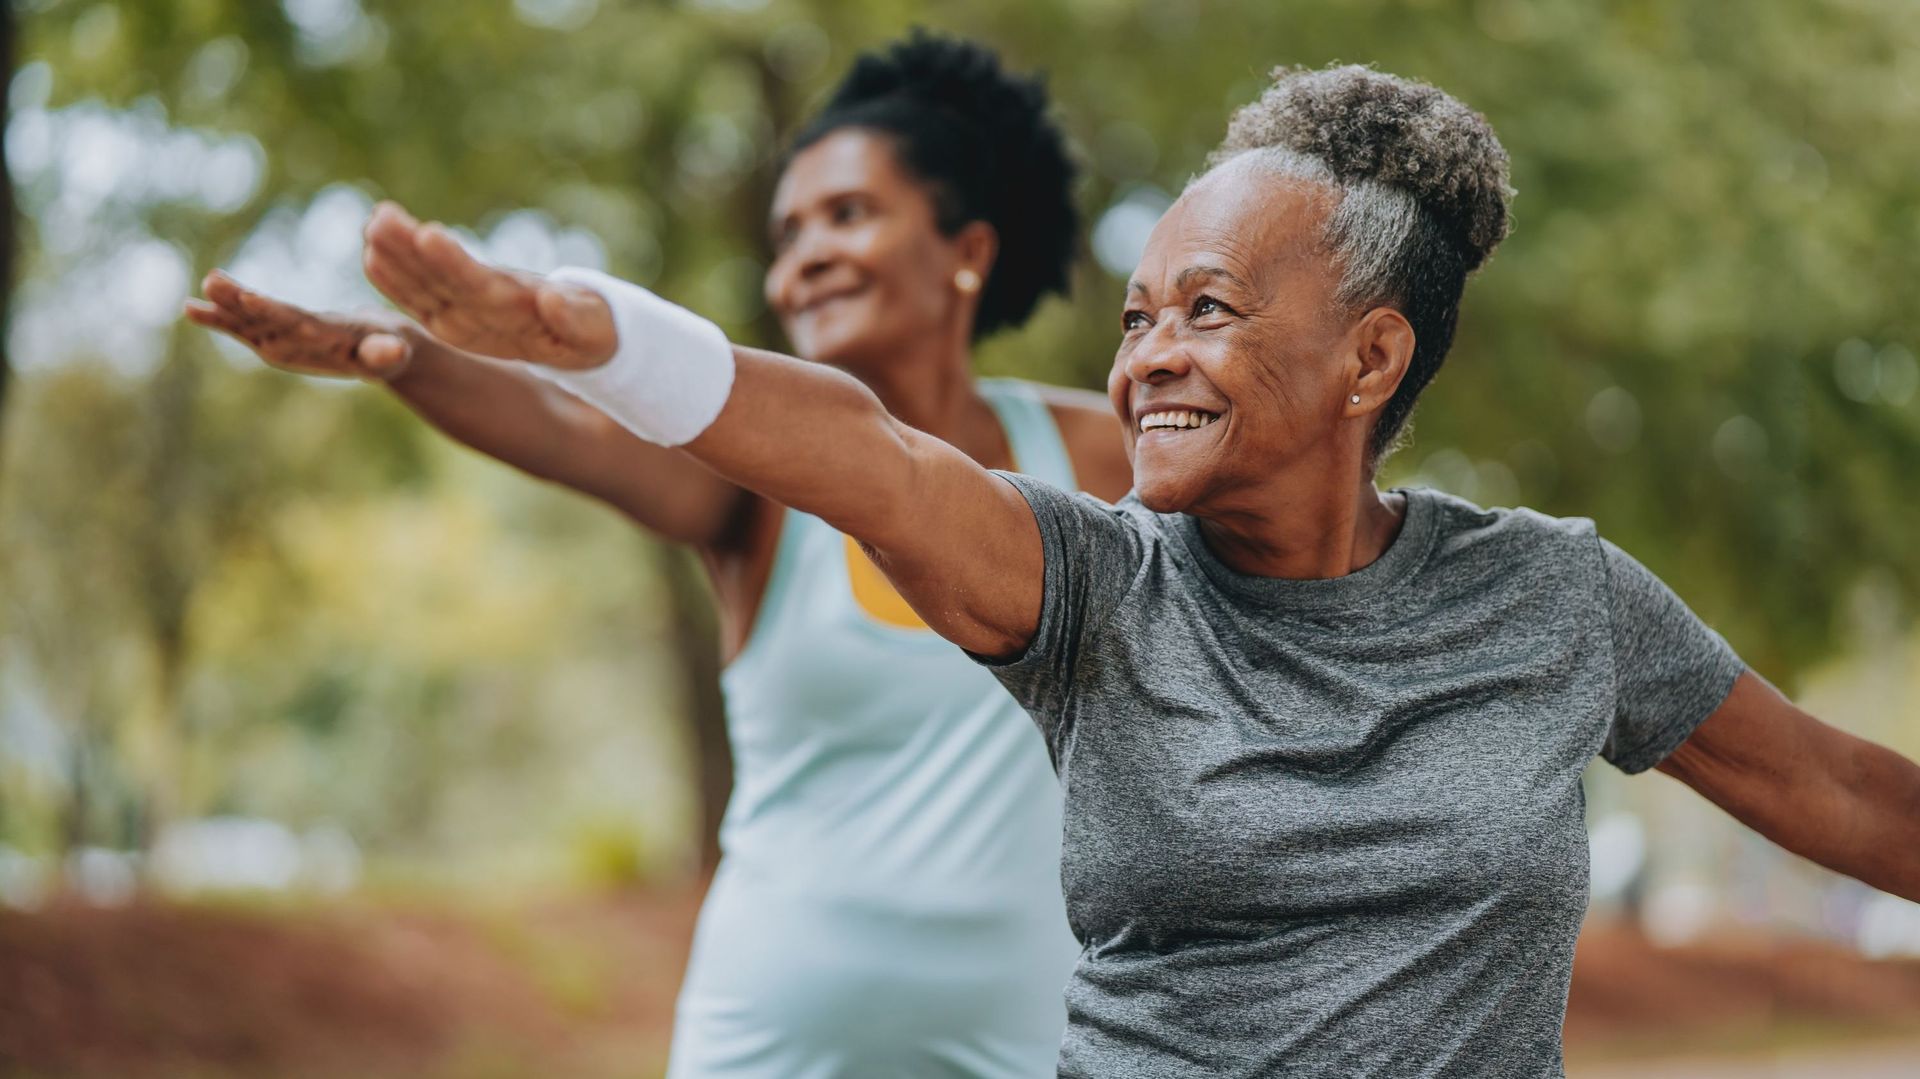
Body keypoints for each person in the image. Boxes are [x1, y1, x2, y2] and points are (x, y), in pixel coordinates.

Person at [321, 63, 1920, 1078]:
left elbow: (1848, 798)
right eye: (1139, 312)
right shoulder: (1091, 584)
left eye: (1208, 310)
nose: (1149, 354)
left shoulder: (1557, 599)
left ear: (1374, 354)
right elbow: (867, 454)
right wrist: (600, 341)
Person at [187, 33, 1130, 1079]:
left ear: (970, 250)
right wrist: (407, 356)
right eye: (788, 231)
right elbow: (569, 428)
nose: (802, 255)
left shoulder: (1091, 456)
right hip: (767, 1042)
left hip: (1030, 1043)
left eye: (848, 214)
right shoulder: (756, 496)